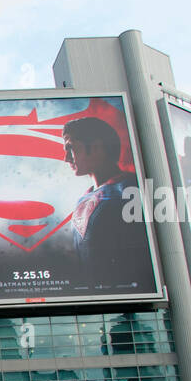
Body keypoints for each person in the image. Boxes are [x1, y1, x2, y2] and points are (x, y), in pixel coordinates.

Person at [62, 117, 148, 283]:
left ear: (96, 147)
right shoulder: (83, 198)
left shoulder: (131, 190)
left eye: (71, 148)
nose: (66, 158)